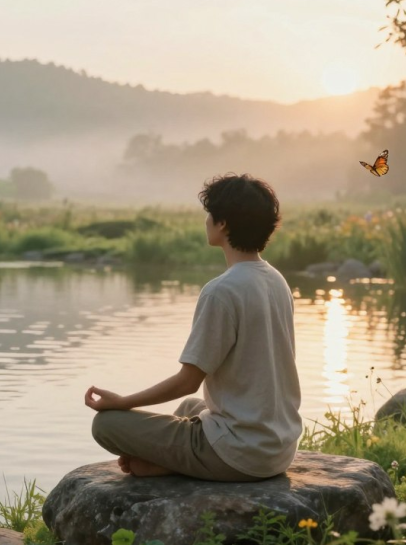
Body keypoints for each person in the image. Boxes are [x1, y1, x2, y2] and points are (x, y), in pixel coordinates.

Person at [84, 173, 301, 481]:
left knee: (106, 425)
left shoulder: (221, 291)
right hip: (277, 449)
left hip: (239, 456)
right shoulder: (276, 280)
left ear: (222, 223)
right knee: (191, 407)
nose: (206, 221)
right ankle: (164, 462)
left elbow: (188, 380)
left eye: (209, 214)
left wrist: (122, 402)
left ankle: (164, 461)